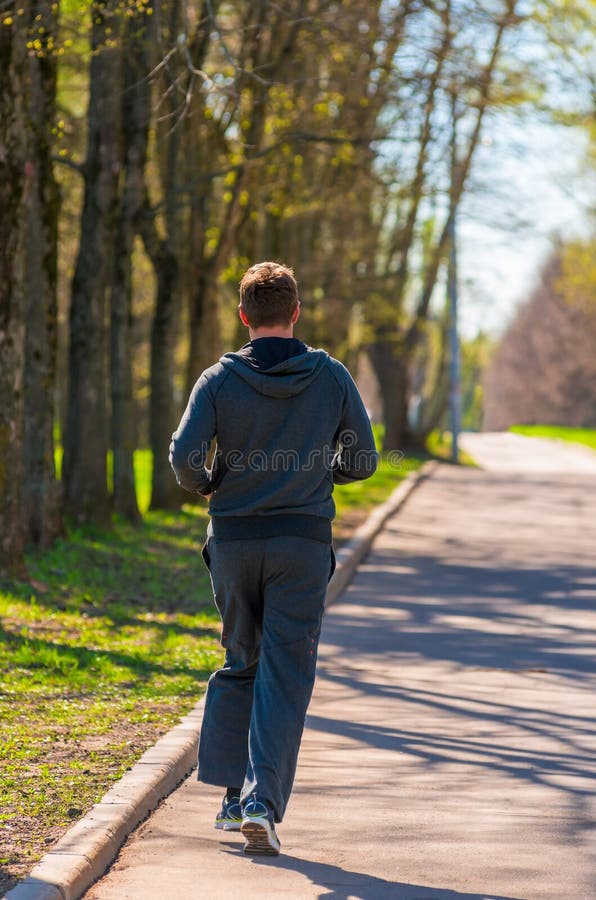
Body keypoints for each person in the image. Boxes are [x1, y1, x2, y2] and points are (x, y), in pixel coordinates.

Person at [169, 261, 377, 856]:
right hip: (301, 545)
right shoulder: (331, 377)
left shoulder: (217, 380)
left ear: (244, 316)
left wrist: (211, 483)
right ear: (295, 313)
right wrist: (319, 473)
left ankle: (232, 799)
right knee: (284, 673)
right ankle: (262, 802)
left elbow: (184, 458)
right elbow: (363, 460)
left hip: (232, 543)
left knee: (241, 661)